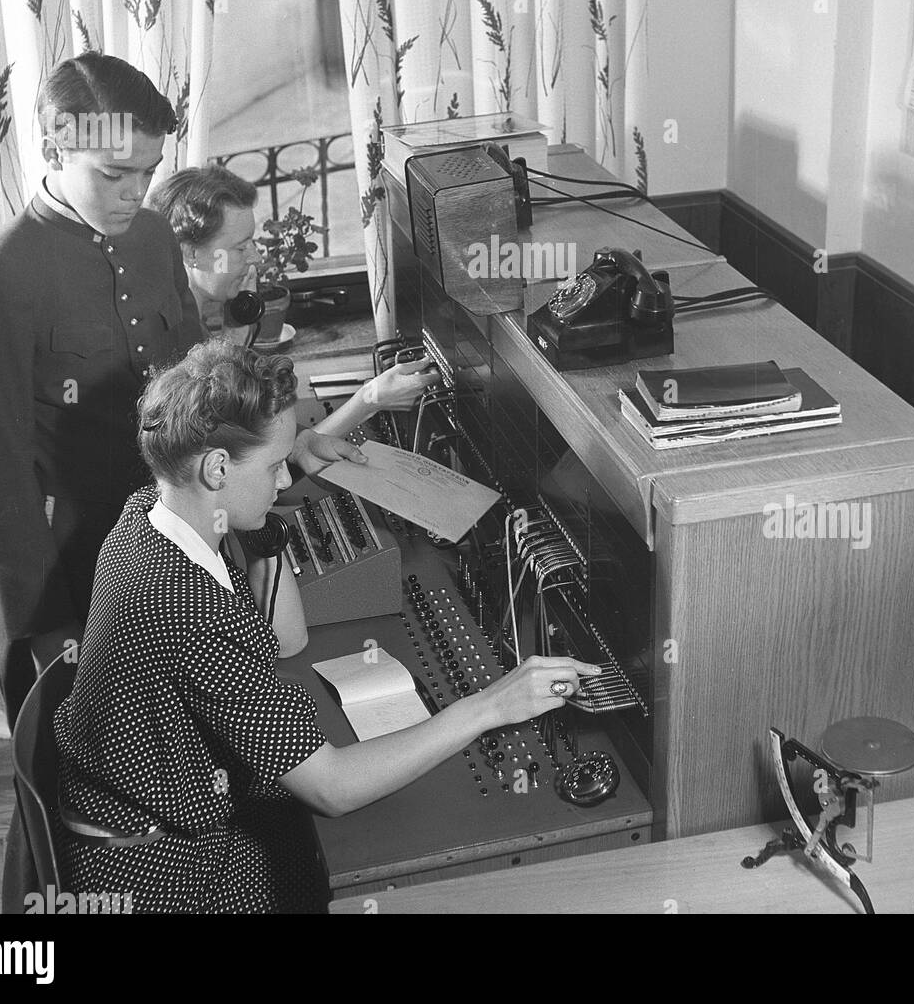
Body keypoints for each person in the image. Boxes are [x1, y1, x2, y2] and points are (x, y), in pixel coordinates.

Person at [53, 340, 598, 913]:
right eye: (272, 468)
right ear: (216, 468)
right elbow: (332, 788)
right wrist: (491, 705)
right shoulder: (185, 606)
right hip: (159, 870)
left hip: (153, 814)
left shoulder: (147, 514)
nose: (286, 481)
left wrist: (258, 514)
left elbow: (286, 637)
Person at [0, 53, 363, 725]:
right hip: (75, 581)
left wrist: (278, 449)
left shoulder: (153, 239)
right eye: (112, 174)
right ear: (55, 147)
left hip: (178, 551)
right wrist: (47, 628)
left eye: (147, 171)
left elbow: (202, 395)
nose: (134, 193)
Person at [147, 164, 439, 427]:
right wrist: (369, 400)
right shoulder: (177, 346)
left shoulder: (190, 322)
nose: (255, 258)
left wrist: (236, 332)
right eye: (240, 248)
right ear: (191, 254)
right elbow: (259, 452)